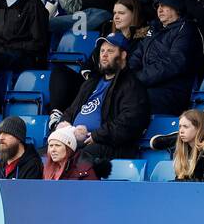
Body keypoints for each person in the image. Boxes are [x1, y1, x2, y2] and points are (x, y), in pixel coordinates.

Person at [50, 32, 150, 169]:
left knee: (81, 158)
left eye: (110, 51)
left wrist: (97, 136)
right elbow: (71, 110)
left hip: (109, 145)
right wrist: (64, 124)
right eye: (102, 50)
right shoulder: (91, 82)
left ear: (123, 55)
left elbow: (129, 122)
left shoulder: (131, 85)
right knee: (44, 154)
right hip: (76, 139)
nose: (104, 54)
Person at [128, 0, 204, 115]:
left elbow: (174, 63)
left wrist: (140, 78)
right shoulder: (154, 29)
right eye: (158, 6)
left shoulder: (186, 29)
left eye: (164, 5)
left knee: (135, 99)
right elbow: (137, 55)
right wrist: (128, 76)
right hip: (148, 84)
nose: (159, 9)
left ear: (176, 7)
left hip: (173, 91)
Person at [149, 109, 204, 182]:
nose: (181, 131)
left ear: (199, 128)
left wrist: (178, 183)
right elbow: (155, 143)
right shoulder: (183, 147)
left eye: (185, 127)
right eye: (180, 126)